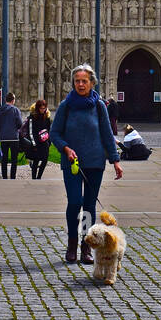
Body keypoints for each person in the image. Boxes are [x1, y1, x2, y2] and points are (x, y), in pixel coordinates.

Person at [50, 64, 123, 264]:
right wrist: (65, 148)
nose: (81, 84)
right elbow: (54, 133)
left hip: (94, 162)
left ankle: (85, 247)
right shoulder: (66, 105)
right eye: (77, 81)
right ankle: (71, 244)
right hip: (72, 162)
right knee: (74, 202)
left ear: (92, 83)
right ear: (73, 83)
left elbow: (107, 134)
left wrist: (115, 160)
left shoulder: (98, 105)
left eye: (84, 81)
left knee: (89, 206)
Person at [0, 92, 23, 180]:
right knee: (14, 159)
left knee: (4, 159)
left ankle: (4, 177)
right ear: (13, 100)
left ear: (6, 100)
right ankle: (13, 177)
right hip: (14, 138)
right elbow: (20, 124)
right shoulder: (15, 110)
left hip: (3, 138)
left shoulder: (0, 111)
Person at [26, 99, 52, 180]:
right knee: (36, 160)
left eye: (44, 108)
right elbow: (31, 132)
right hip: (36, 143)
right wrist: (34, 144)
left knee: (45, 160)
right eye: (41, 108)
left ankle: (39, 177)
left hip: (45, 142)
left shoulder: (47, 117)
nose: (43, 110)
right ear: (38, 108)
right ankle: (34, 178)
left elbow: (49, 130)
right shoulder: (32, 117)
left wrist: (49, 141)